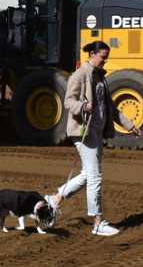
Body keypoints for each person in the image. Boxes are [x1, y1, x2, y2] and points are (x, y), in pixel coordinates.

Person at [46, 40, 135, 237]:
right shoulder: (79, 75)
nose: (105, 61)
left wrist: (129, 125)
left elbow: (110, 107)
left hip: (96, 132)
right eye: (103, 57)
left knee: (88, 174)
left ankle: (55, 200)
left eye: (106, 58)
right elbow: (69, 101)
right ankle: (97, 222)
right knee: (95, 176)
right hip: (83, 133)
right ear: (93, 55)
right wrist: (82, 107)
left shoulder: (101, 78)